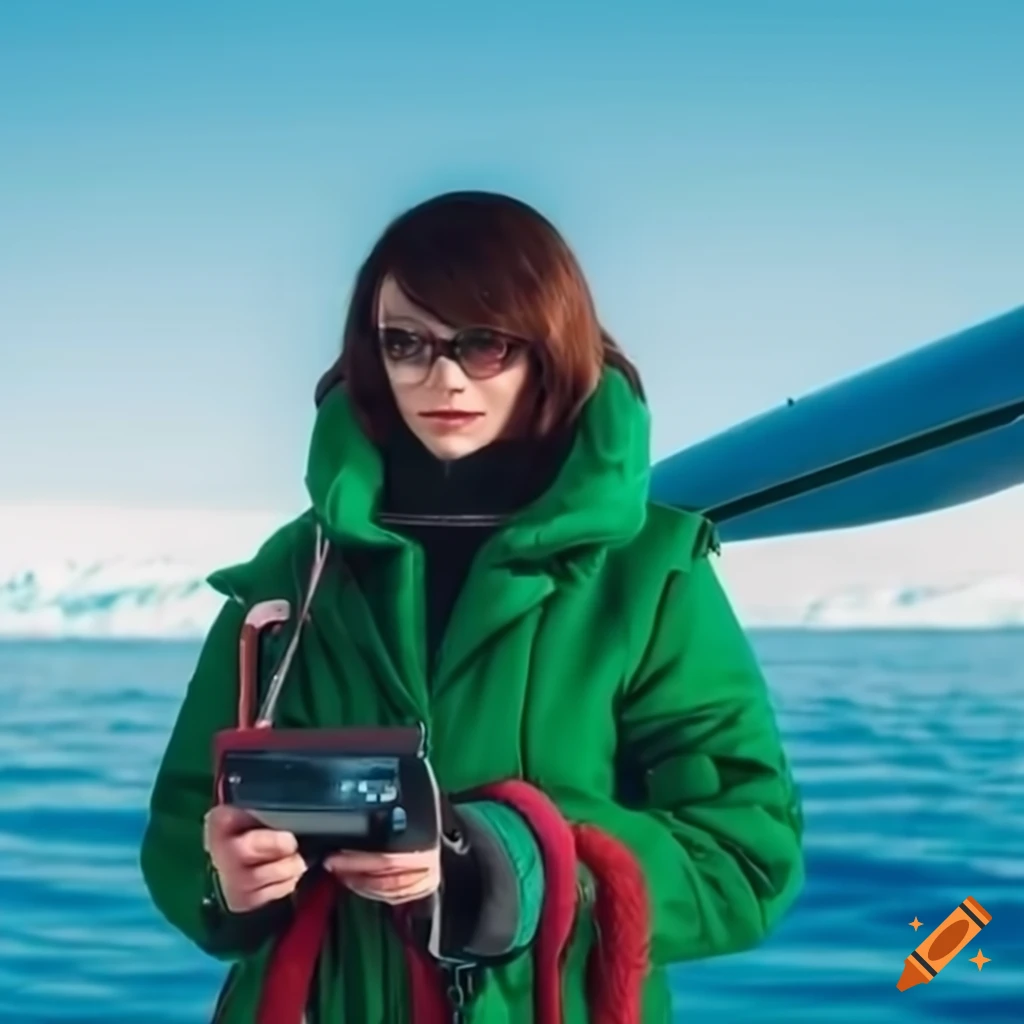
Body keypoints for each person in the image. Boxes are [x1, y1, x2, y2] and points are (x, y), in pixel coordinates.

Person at [140, 190, 805, 1024]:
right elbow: (185, 826)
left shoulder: (651, 573)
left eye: (484, 343)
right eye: (406, 343)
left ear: (550, 345)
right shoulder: (296, 568)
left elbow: (745, 856)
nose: (443, 378)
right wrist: (226, 880)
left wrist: (502, 867)